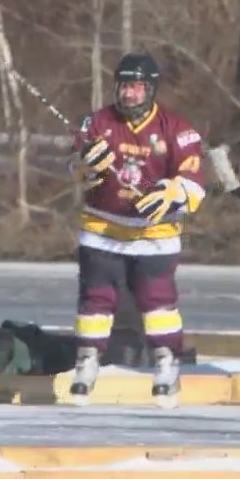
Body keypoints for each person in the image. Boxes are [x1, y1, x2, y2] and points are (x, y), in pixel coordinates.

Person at [69, 52, 207, 408]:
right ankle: (87, 361)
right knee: (95, 301)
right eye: (123, 86)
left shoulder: (177, 129)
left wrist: (171, 194)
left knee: (157, 302)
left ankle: (166, 361)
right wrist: (87, 165)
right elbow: (75, 169)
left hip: (154, 236)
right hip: (103, 229)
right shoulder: (97, 121)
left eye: (136, 87)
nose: (128, 94)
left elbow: (195, 184)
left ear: (150, 89)